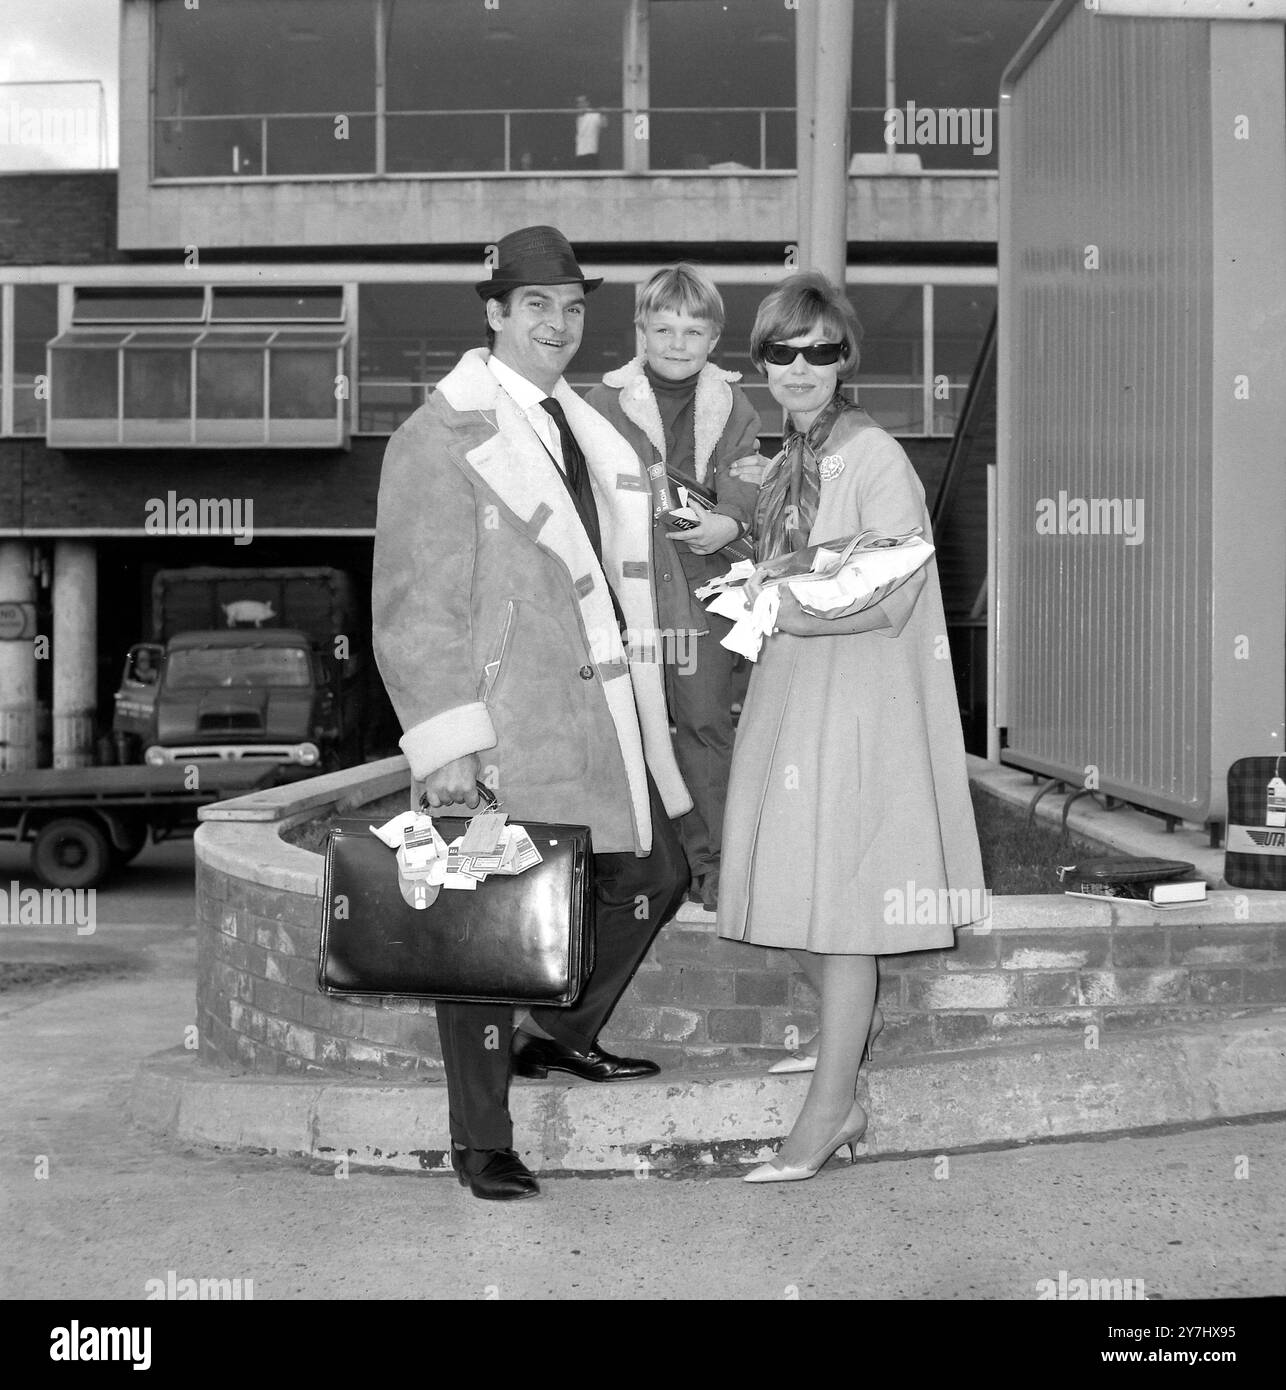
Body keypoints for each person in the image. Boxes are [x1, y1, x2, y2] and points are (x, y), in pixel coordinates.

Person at [371, 225, 691, 1202]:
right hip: (497, 726)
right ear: (495, 313)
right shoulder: (437, 437)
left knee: (655, 872)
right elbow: (412, 608)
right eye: (536, 306)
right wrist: (449, 746)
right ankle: (479, 1144)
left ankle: (552, 1036)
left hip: (591, 717)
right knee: (482, 933)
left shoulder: (587, 430)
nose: (557, 324)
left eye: (572, 306)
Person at [717, 271, 986, 1183]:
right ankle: (843, 1053)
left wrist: (787, 610)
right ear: (760, 360)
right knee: (797, 889)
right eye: (782, 351)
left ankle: (830, 1109)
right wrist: (740, 558)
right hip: (800, 691)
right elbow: (810, 555)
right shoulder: (797, 452)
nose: (800, 367)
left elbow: (892, 586)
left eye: (820, 351)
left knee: (839, 914)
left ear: (845, 360)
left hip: (853, 695)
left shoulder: (870, 452)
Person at [587, 263, 765, 912]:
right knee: (628, 725)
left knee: (705, 724)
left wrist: (728, 521)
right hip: (629, 592)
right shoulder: (601, 404)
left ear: (715, 338)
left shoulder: (736, 404)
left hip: (705, 588)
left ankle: (713, 872)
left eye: (693, 330)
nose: (677, 342)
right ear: (639, 330)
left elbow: (749, 478)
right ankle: (640, 871)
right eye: (662, 327)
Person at [574, 95, 607, 168]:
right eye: (579, 103)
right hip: (580, 152)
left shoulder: (594, 115)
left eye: (583, 102)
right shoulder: (577, 116)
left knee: (593, 176)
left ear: (587, 103)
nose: (580, 105)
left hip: (591, 151)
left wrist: (603, 114)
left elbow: (604, 125)